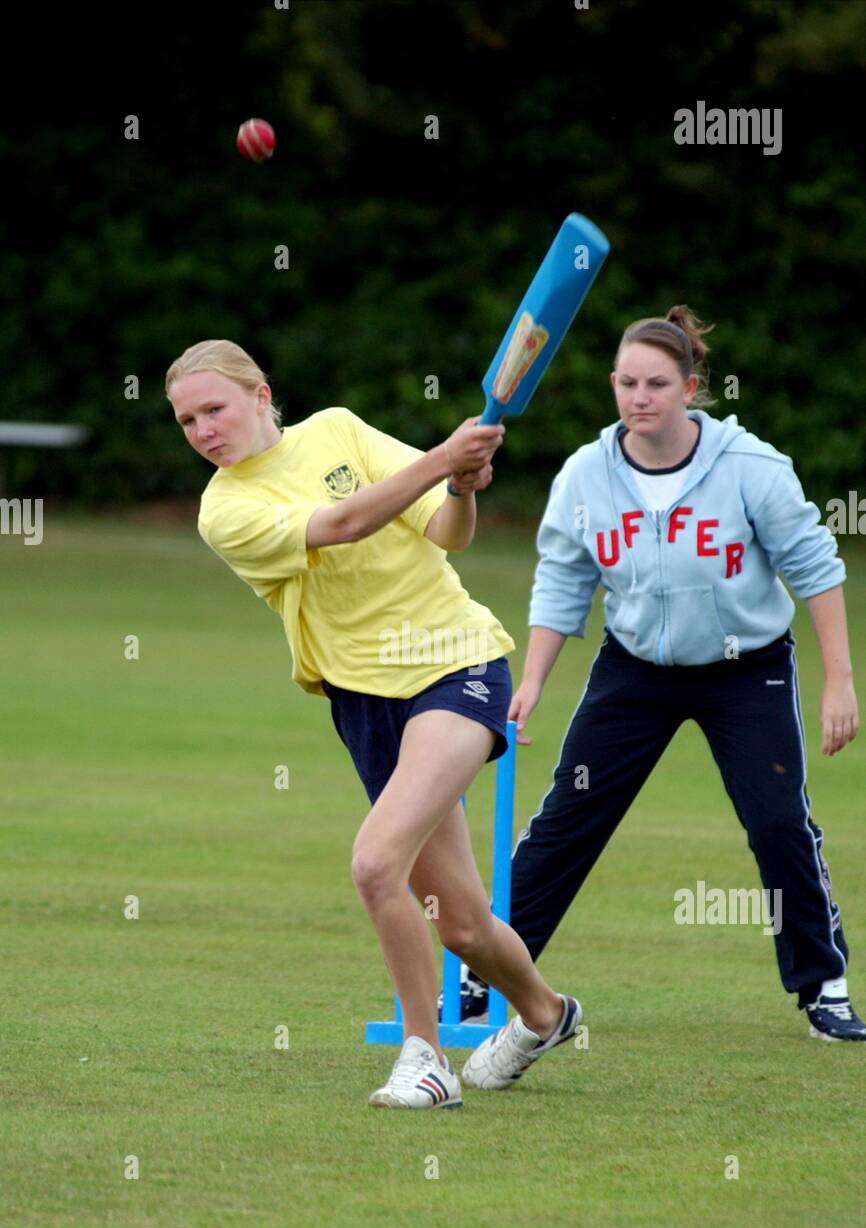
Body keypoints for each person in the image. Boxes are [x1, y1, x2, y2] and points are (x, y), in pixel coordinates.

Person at [165, 339, 582, 1109]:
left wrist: (458, 484)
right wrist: (443, 457)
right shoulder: (225, 510)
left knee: (374, 863)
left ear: (261, 394)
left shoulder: (339, 430)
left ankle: (423, 1057)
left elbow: (448, 531)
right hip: (363, 702)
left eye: (214, 408)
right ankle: (546, 1015)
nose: (202, 430)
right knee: (460, 924)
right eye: (187, 420)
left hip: (455, 663)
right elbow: (347, 521)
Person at [458, 304, 863, 1080]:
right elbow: (563, 581)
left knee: (779, 821)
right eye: (627, 383)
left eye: (657, 383)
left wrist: (838, 681)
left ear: (691, 387)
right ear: (612, 386)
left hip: (747, 667)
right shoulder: (586, 473)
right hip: (635, 668)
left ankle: (824, 986)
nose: (640, 397)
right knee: (567, 819)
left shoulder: (752, 467)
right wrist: (533, 682)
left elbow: (817, 568)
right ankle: (488, 974)